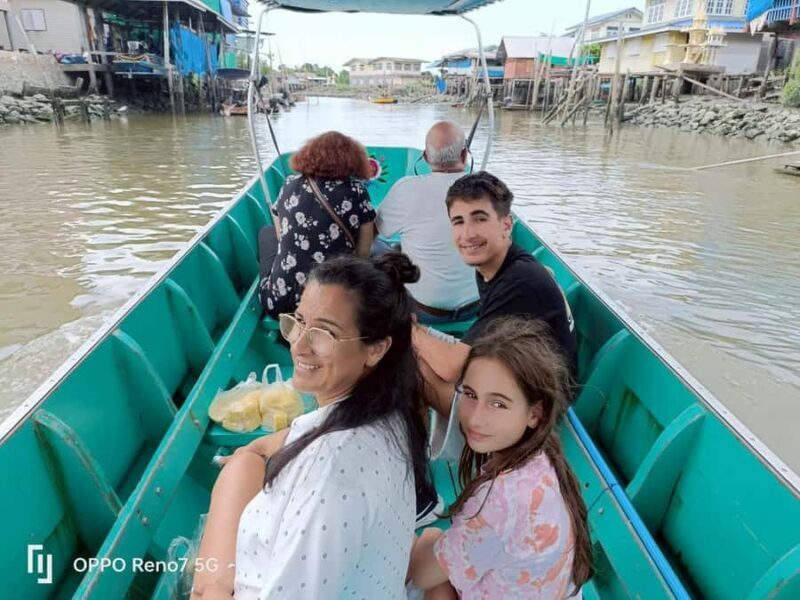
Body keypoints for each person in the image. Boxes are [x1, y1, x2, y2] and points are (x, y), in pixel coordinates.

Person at [192, 252, 434, 599]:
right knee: (243, 463)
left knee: (208, 587)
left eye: (324, 332)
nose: (299, 344)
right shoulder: (390, 413)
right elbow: (285, 440)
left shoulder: (330, 472)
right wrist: (252, 451)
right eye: (300, 321)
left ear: (376, 349)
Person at [408, 317, 593, 599]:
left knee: (430, 577)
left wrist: (424, 539)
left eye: (498, 403)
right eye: (470, 394)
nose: (476, 418)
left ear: (535, 413)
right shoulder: (544, 457)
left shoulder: (501, 499)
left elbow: (423, 573)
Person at [412, 171, 576, 420]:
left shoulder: (520, 281)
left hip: (542, 407)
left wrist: (409, 331)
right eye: (458, 221)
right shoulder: (496, 267)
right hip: (524, 373)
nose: (467, 234)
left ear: (506, 225)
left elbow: (451, 367)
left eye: (479, 219)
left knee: (416, 368)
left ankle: (434, 455)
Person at [259, 131, 376, 318]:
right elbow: (363, 254)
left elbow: (282, 236)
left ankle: (272, 282)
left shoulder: (289, 184)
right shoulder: (357, 192)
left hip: (281, 302)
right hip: (331, 308)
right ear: (352, 161)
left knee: (267, 233)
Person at [375, 121, 479, 323]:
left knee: (379, 246)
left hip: (424, 311)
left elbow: (374, 232)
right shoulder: (487, 190)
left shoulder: (406, 189)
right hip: (476, 306)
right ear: (465, 156)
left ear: (425, 157)